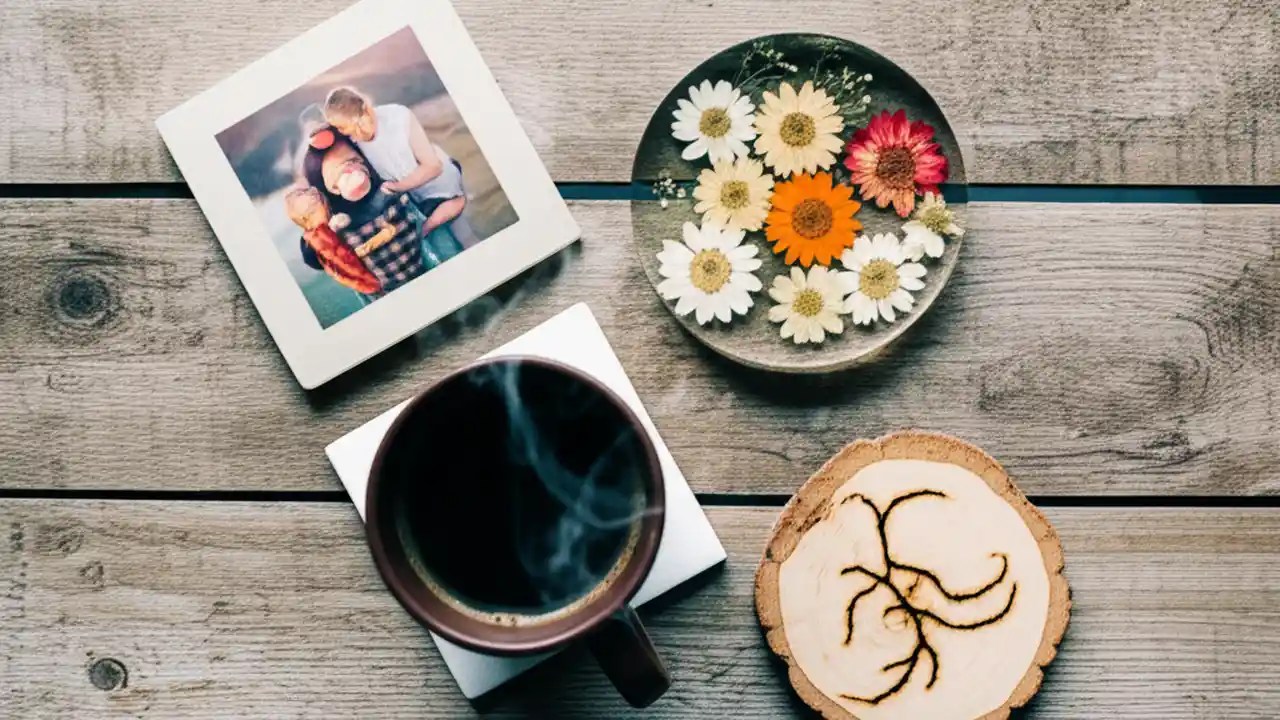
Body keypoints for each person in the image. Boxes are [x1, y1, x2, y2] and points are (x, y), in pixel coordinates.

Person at [322, 87, 467, 258]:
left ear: (367, 109)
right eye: (347, 130)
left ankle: (430, 228)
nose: (357, 134)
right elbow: (325, 138)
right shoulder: (348, 135)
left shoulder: (398, 117)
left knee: (456, 225)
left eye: (359, 125)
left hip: (438, 185)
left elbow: (433, 167)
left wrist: (397, 187)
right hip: (412, 200)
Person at [302, 135, 439, 293]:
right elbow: (316, 259)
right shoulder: (332, 218)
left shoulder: (386, 186)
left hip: (422, 262)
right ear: (324, 186)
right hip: (387, 288)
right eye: (338, 170)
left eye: (355, 161)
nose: (352, 170)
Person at [284, 185, 381, 296]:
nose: (325, 207)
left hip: (366, 274)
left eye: (321, 201)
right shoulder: (310, 241)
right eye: (314, 209)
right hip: (361, 281)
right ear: (306, 220)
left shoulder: (333, 217)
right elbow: (313, 261)